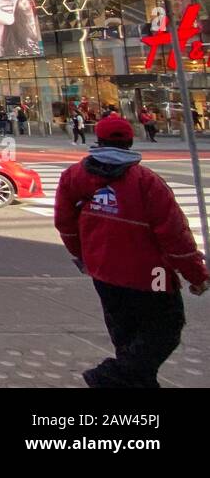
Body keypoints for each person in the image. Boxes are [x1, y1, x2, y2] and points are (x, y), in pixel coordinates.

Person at [54, 117, 209, 388]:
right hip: (153, 275)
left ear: (97, 139)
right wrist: (196, 275)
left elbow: (65, 224)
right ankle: (112, 376)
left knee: (125, 332)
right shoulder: (146, 182)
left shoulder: (74, 176)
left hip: (103, 271)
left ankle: (137, 381)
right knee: (167, 327)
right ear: (130, 141)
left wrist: (83, 257)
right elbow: (175, 236)